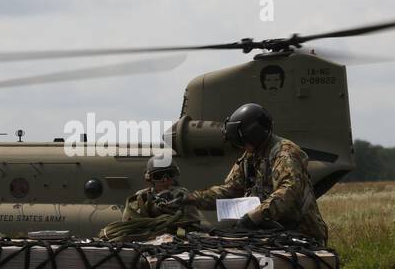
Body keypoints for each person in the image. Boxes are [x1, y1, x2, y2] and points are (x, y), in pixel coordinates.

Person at [185, 103, 329, 245]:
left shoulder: (285, 152)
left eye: (242, 141)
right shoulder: (251, 157)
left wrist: (255, 215)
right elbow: (230, 189)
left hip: (302, 235)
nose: (240, 146)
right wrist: (192, 199)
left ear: (253, 135)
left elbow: (289, 191)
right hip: (272, 234)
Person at [98, 155, 201, 241]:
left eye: (170, 174)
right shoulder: (140, 197)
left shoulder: (182, 196)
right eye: (159, 176)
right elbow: (128, 225)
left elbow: (193, 225)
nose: (165, 180)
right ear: (149, 178)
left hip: (175, 239)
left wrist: (173, 232)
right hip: (144, 239)